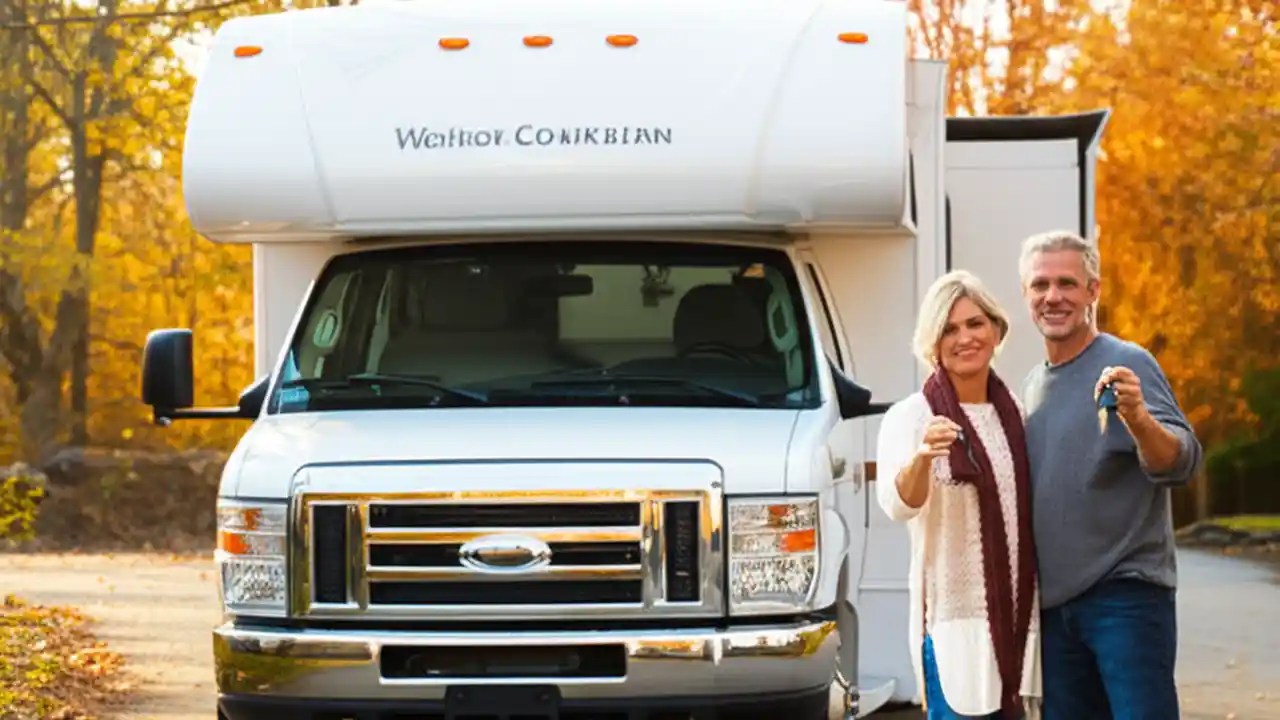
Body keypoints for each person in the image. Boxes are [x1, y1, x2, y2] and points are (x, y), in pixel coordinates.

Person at [1018, 230, 1202, 720]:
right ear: (1026, 296)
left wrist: (1140, 420)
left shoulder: (1126, 363)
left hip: (1126, 598)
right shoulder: (1033, 386)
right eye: (1040, 285)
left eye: (1067, 284)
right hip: (1056, 611)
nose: (1052, 297)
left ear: (1093, 291)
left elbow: (1182, 462)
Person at [876, 269, 1041, 720]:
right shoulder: (911, 416)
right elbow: (896, 504)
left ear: (996, 329)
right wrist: (924, 457)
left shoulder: (1018, 416)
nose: (964, 337)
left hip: (1018, 623)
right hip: (953, 624)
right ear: (933, 342)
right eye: (949, 328)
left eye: (975, 323)